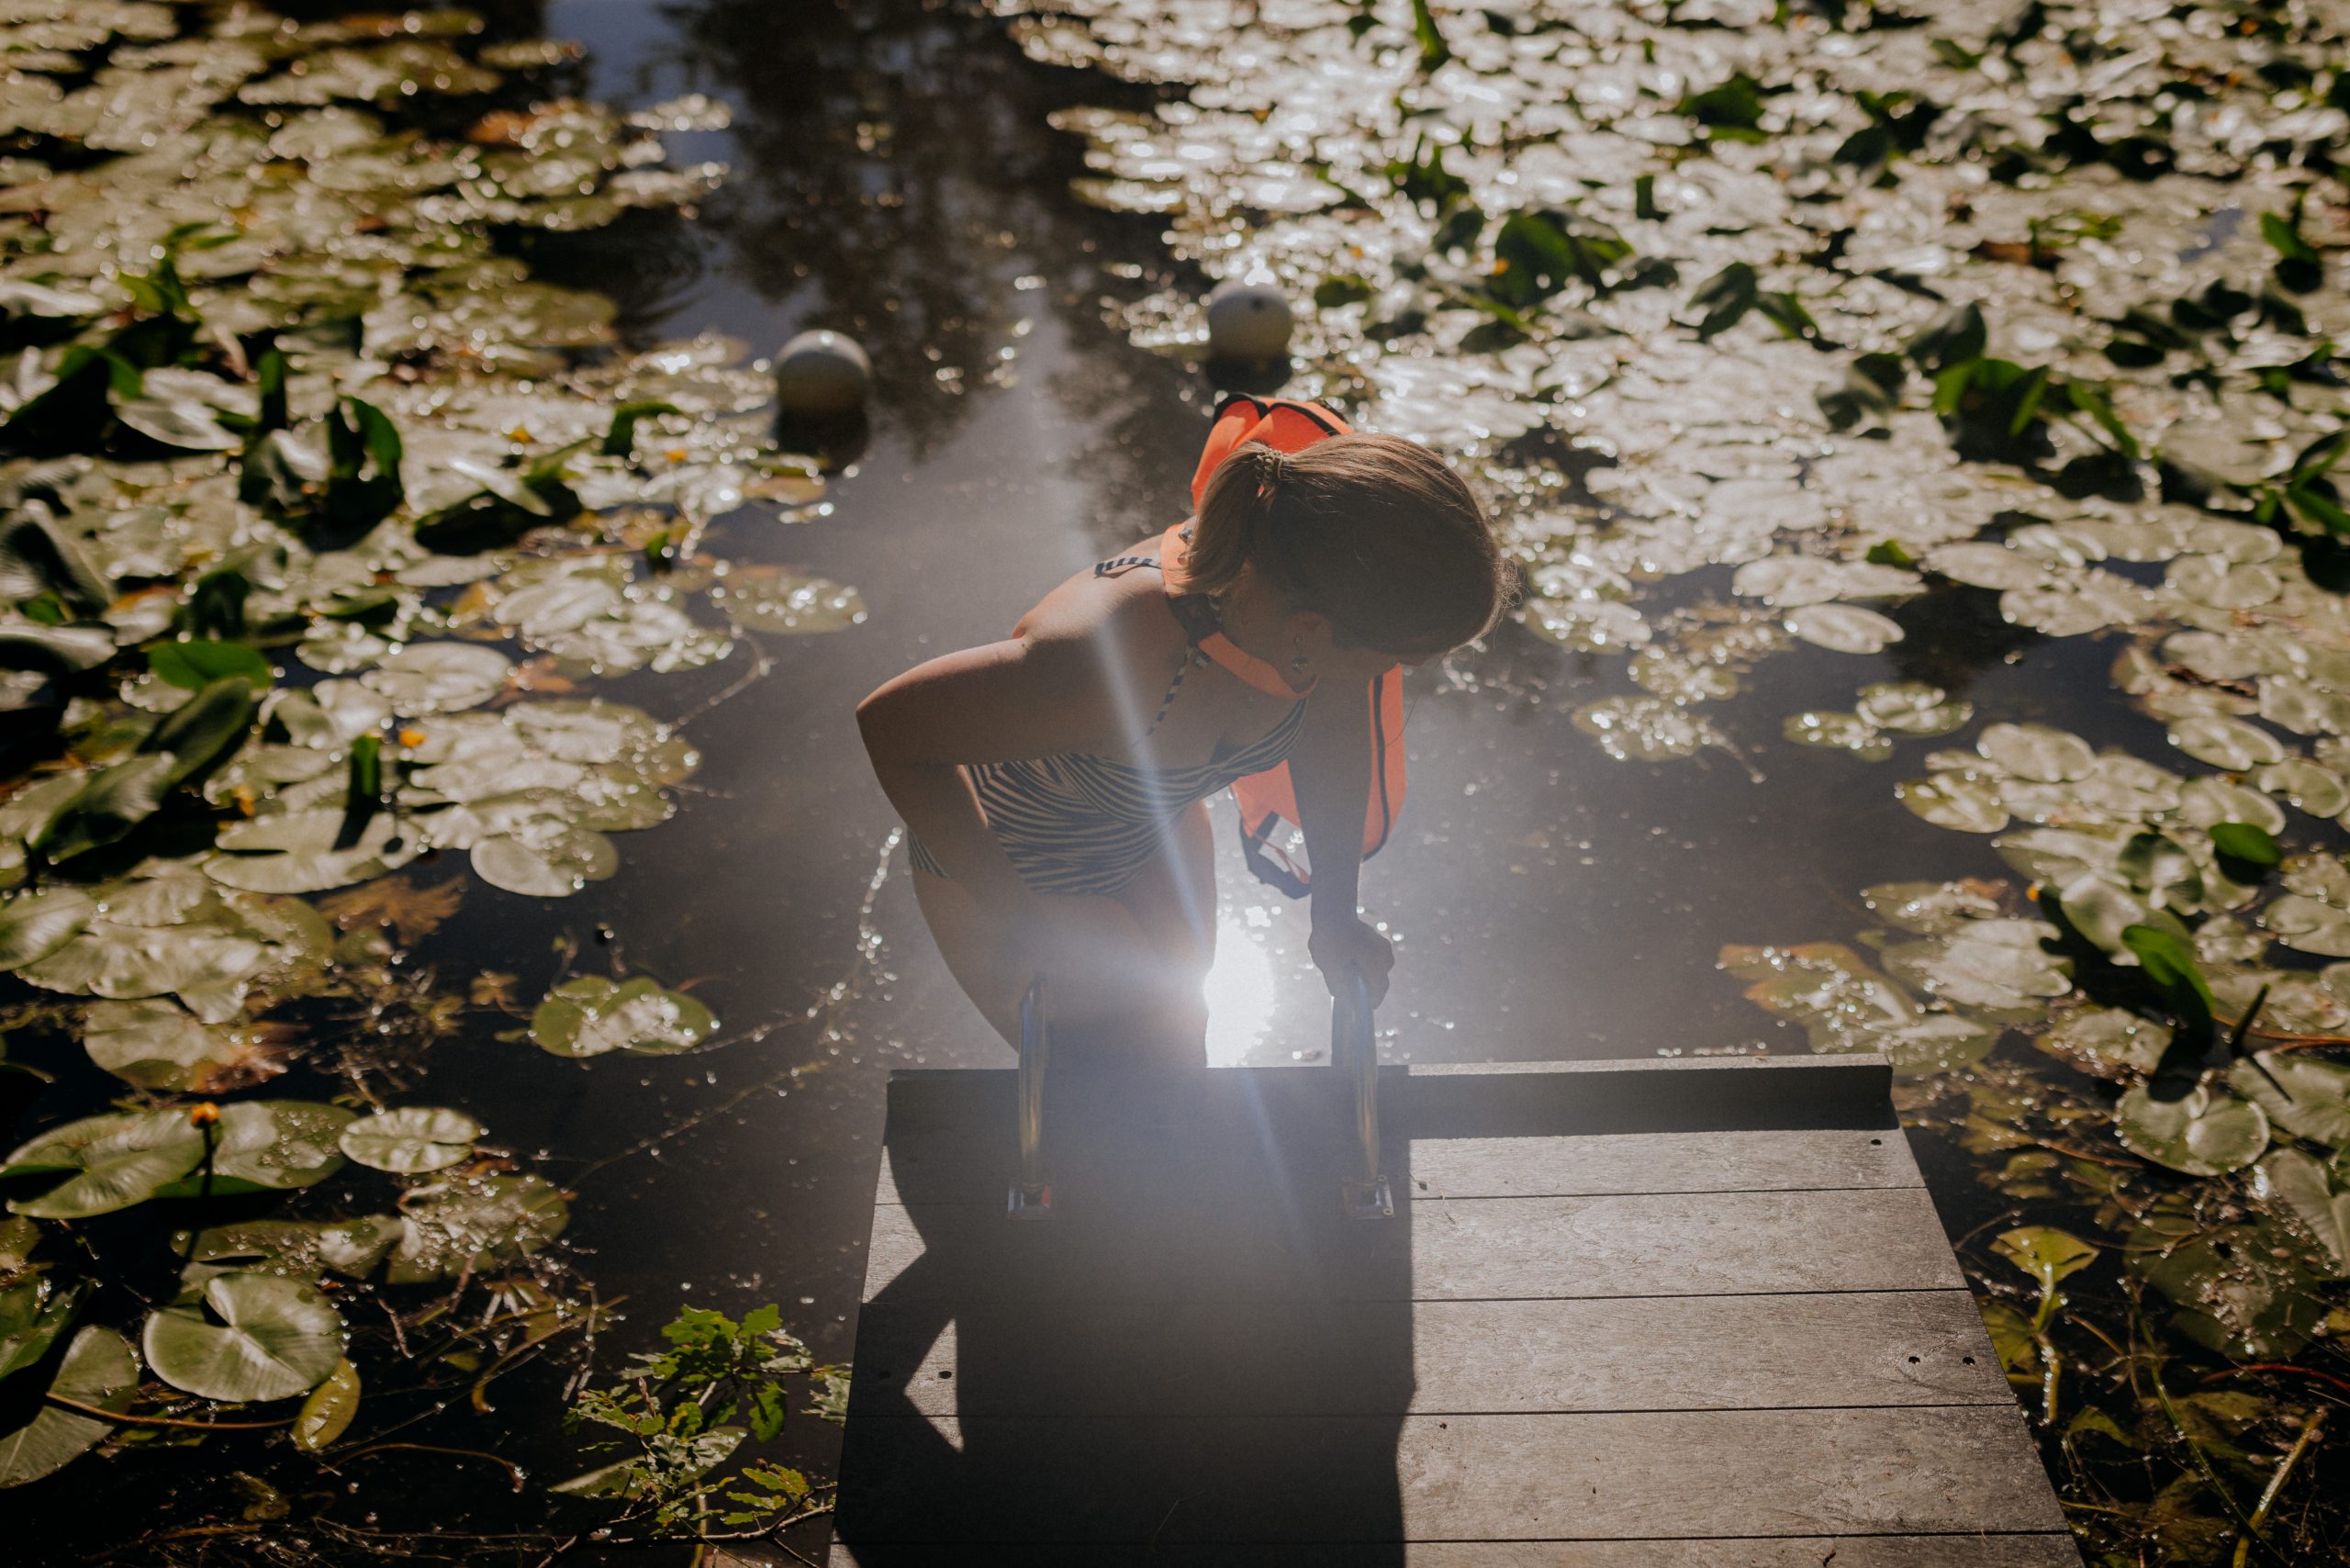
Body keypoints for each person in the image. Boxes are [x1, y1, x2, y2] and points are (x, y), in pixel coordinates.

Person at [856, 431, 1510, 1065]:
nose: (1392, 677)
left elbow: (1332, 738)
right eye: (1396, 659)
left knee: (1181, 1043)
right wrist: (1020, 919)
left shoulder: (1307, 613)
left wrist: (1334, 912)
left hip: (1151, 828)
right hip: (1011, 857)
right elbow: (893, 728)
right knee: (1093, 1082)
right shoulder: (1108, 656)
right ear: (1312, 629)